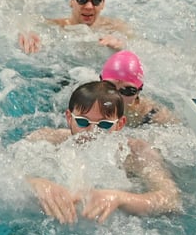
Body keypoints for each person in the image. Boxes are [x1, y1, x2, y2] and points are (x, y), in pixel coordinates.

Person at [26, 81, 180, 224]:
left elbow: (170, 199)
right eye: (82, 121)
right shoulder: (48, 139)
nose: (92, 132)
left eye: (104, 125)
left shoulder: (136, 152)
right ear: (69, 118)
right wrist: (36, 183)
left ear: (120, 124)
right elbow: (7, 171)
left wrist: (120, 198)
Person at [19, 0, 130, 53]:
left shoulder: (115, 27)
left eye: (96, 1)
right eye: (82, 0)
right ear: (71, 1)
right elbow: (26, 22)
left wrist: (122, 46)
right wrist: (26, 32)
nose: (89, 6)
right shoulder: (59, 26)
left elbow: (142, 48)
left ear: (103, 3)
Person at [100, 50, 177, 126]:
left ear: (138, 91)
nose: (116, 96)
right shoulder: (88, 102)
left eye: (127, 91)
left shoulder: (152, 114)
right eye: (109, 87)